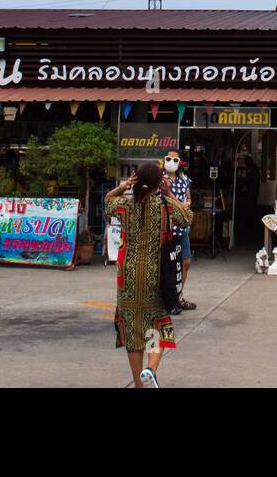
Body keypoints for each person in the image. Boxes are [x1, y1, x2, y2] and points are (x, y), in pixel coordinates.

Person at [104, 162, 192, 388]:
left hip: (128, 277)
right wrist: (169, 193)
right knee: (156, 326)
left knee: (133, 334)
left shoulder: (124, 204)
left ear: (136, 180)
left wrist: (123, 186)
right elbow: (187, 217)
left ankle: (138, 384)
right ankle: (150, 369)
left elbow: (107, 201)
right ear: (158, 183)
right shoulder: (164, 206)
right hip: (156, 276)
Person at [161, 150, 196, 312]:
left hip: (181, 227)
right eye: (168, 158)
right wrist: (179, 204)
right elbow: (163, 197)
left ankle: (178, 295)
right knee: (167, 263)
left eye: (175, 159)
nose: (171, 162)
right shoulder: (160, 179)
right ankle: (167, 298)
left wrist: (187, 203)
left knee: (185, 261)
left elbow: (189, 197)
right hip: (165, 226)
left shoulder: (184, 179)